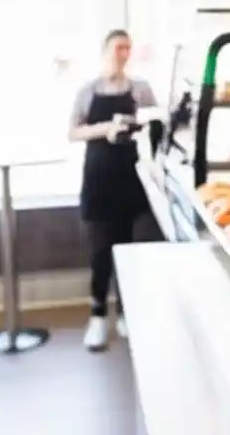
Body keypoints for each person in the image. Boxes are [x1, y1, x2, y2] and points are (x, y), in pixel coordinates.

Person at [69, 29, 160, 351]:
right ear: (105, 50)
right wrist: (105, 129)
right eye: (119, 47)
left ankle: (125, 312)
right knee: (100, 253)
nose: (124, 53)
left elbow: (155, 123)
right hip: (98, 178)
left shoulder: (140, 89)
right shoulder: (87, 91)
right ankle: (96, 316)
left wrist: (137, 128)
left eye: (128, 48)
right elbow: (73, 131)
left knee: (129, 249)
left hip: (132, 179)